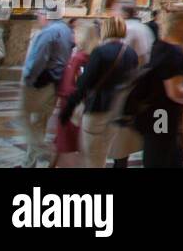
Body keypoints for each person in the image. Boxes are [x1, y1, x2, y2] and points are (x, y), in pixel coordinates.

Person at [59, 15, 137, 168]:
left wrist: (68, 109)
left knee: (91, 156)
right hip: (117, 109)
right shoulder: (130, 53)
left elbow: (84, 84)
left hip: (97, 108)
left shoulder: (101, 52)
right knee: (101, 152)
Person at [141, 4, 183, 168]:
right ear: (181, 23)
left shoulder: (161, 44)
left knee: (162, 154)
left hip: (158, 113)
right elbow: (175, 92)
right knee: (162, 155)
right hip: (163, 115)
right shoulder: (172, 51)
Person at [19, 10, 74, 167]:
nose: (38, 18)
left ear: (47, 15)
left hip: (41, 84)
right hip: (56, 82)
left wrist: (28, 79)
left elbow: (39, 59)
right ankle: (30, 161)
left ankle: (43, 152)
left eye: (39, 14)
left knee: (26, 119)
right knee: (39, 123)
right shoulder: (67, 31)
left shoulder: (48, 32)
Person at [51, 20, 96, 167]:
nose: (72, 35)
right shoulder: (91, 55)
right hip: (80, 103)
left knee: (67, 144)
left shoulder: (79, 58)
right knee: (63, 141)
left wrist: (60, 95)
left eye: (75, 33)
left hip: (70, 104)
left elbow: (70, 85)